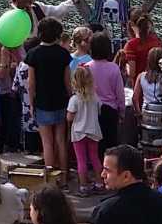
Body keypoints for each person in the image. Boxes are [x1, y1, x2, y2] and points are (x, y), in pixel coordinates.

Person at [25, 17, 72, 186]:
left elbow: (31, 84)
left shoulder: (33, 54)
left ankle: (50, 179)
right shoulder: (63, 53)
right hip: (61, 100)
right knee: (60, 139)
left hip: (42, 102)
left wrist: (31, 103)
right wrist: (71, 98)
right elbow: (68, 82)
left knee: (47, 142)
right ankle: (64, 177)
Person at [67, 62, 103, 194]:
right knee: (95, 157)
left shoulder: (74, 99)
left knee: (81, 159)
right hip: (93, 130)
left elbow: (69, 117)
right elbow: (99, 111)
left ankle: (83, 185)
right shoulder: (95, 97)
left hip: (78, 132)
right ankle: (99, 182)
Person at [89, 32, 127, 152]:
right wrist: (122, 111)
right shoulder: (114, 68)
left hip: (92, 110)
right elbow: (120, 93)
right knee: (111, 143)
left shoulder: (86, 67)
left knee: (95, 143)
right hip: (110, 110)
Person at [118, 12, 162, 86]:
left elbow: (132, 73)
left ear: (132, 25)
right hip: (157, 87)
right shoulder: (158, 42)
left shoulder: (131, 45)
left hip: (139, 87)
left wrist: (125, 67)